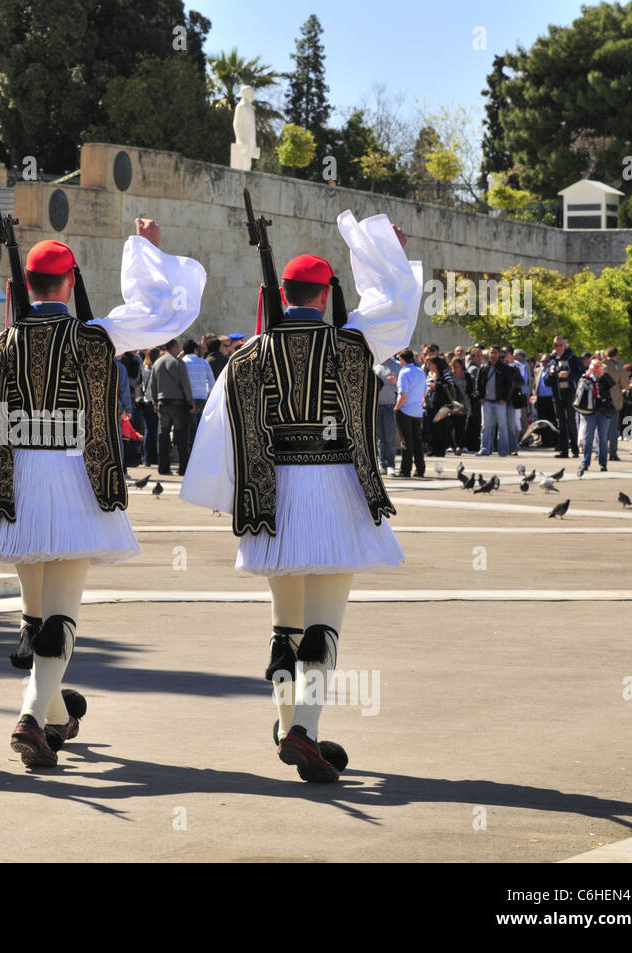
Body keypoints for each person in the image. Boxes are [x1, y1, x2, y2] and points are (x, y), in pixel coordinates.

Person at [0, 219, 206, 768]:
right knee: (61, 614)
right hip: (74, 483)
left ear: (26, 285)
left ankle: (56, 712)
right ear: (68, 283)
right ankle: (31, 718)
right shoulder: (96, 337)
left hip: (11, 488)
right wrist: (146, 251)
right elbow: (162, 315)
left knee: (36, 617)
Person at [182, 211, 421, 783]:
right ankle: (303, 730)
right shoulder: (354, 344)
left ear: (283, 295)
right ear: (324, 296)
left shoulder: (244, 357)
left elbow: (221, 437)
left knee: (285, 627)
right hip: (337, 491)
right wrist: (386, 251)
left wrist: (232, 502)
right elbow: (397, 304)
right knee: (323, 627)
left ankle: (289, 721)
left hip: (271, 500)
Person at [147, 339, 195, 475]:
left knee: (163, 436)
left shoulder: (157, 363)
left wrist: (155, 402)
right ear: (174, 347)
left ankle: (163, 468)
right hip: (179, 403)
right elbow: (185, 384)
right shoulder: (178, 362)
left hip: (163, 403)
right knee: (182, 436)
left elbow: (153, 385)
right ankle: (183, 468)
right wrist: (190, 402)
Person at [577, 356, 616, 475]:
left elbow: (612, 384)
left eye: (598, 366)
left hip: (603, 411)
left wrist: (603, 373)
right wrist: (589, 373)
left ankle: (603, 463)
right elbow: (580, 387)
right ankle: (585, 462)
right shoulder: (586, 378)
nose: (596, 368)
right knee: (588, 437)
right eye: (594, 366)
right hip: (590, 411)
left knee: (603, 438)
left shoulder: (604, 378)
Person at [474, 345, 514, 457]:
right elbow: (478, 383)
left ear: (499, 354)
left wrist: (504, 398)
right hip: (486, 401)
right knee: (486, 426)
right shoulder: (483, 367)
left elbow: (509, 385)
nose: (493, 355)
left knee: (502, 426)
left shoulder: (505, 368)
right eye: (491, 353)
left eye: (495, 353)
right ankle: (485, 449)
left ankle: (503, 450)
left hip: (499, 401)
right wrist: (480, 397)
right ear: (488, 354)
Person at [548, 336, 582, 457]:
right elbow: (547, 381)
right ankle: (563, 450)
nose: (558, 347)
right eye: (556, 345)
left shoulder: (572, 358)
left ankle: (575, 450)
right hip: (558, 395)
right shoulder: (552, 360)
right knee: (561, 422)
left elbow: (580, 373)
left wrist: (568, 374)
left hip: (570, 394)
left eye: (561, 345)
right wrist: (551, 373)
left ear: (565, 345)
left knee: (571, 421)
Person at [395, 347, 427, 477]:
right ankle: (420, 469)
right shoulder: (420, 371)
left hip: (405, 409)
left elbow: (403, 394)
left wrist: (397, 408)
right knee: (417, 441)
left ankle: (405, 470)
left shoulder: (404, 372)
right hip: (417, 410)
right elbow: (425, 392)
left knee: (406, 441)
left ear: (402, 359)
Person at [182, 338, 215, 443]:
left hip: (188, 400)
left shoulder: (182, 363)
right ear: (195, 350)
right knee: (201, 429)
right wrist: (208, 395)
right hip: (202, 398)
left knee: (189, 429)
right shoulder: (204, 363)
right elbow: (211, 382)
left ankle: (190, 453)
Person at [371, 354, 400, 474]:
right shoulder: (374, 365)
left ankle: (391, 465)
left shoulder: (397, 367)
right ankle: (382, 464)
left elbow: (403, 387)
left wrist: (396, 382)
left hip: (389, 405)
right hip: (376, 406)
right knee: (379, 438)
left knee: (389, 437)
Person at [602, 346, 628, 460]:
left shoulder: (599, 366)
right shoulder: (618, 367)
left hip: (600, 402)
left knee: (600, 429)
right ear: (616, 355)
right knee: (613, 429)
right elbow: (626, 384)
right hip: (614, 401)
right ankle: (612, 454)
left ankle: (600, 452)